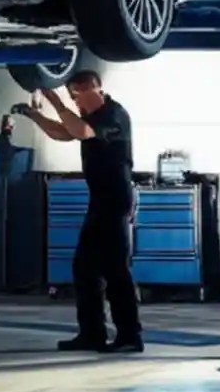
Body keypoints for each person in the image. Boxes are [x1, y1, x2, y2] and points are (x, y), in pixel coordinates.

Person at [19, 70, 144, 353]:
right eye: (72, 97)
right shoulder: (89, 116)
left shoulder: (114, 115)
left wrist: (57, 102)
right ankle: (92, 333)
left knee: (115, 269)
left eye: (78, 97)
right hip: (99, 202)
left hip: (115, 201)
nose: (76, 103)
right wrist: (33, 114)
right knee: (84, 268)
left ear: (95, 89)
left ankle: (130, 336)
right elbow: (62, 132)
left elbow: (80, 130)